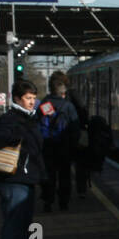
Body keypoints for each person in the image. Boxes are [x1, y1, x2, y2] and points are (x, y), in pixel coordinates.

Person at [0, 79, 46, 239]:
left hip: (26, 177)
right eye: (28, 98)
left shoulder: (28, 118)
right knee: (13, 225)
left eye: (33, 98)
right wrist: (19, 137)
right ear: (17, 99)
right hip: (13, 178)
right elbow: (0, 138)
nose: (32, 102)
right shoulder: (10, 119)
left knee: (24, 225)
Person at [39, 72, 79, 211]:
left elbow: (38, 124)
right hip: (64, 146)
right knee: (64, 175)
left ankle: (48, 201)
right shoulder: (68, 106)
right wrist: (74, 145)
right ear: (63, 91)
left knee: (49, 174)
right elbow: (75, 128)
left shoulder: (45, 103)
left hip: (47, 145)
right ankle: (64, 201)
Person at [67, 86, 91, 199]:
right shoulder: (81, 108)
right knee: (81, 166)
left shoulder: (49, 104)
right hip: (80, 140)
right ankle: (81, 190)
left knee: (62, 167)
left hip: (61, 140)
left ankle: (54, 196)